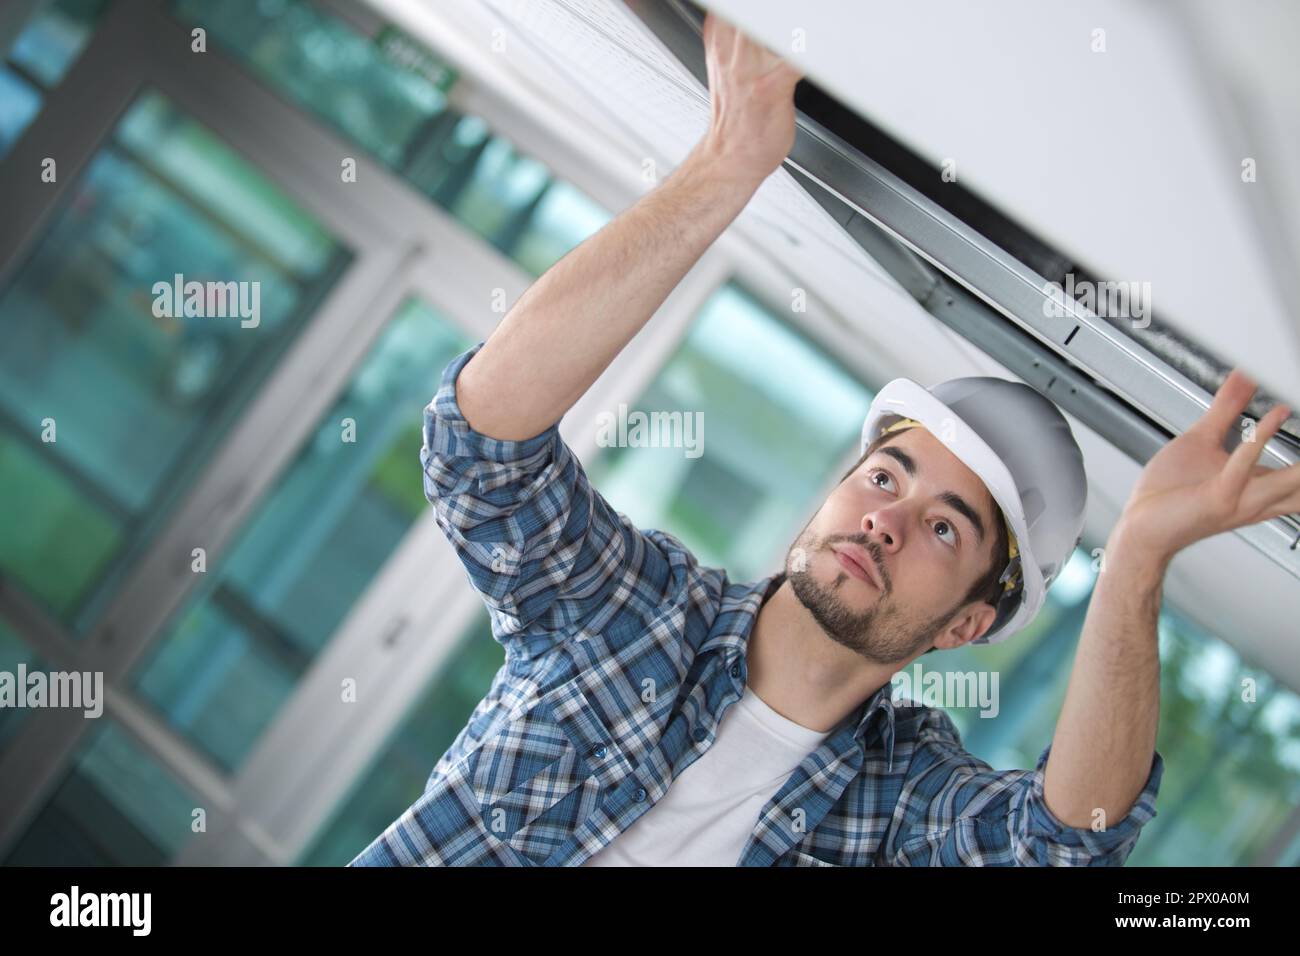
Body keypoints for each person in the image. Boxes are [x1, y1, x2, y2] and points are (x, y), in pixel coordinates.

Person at [348, 12, 1298, 867]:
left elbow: (1068, 847)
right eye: (888, 474)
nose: (888, 518)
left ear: (967, 626)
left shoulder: (899, 808)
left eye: (944, 529)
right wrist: (725, 166)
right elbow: (481, 455)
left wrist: (1136, 556)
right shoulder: (632, 618)